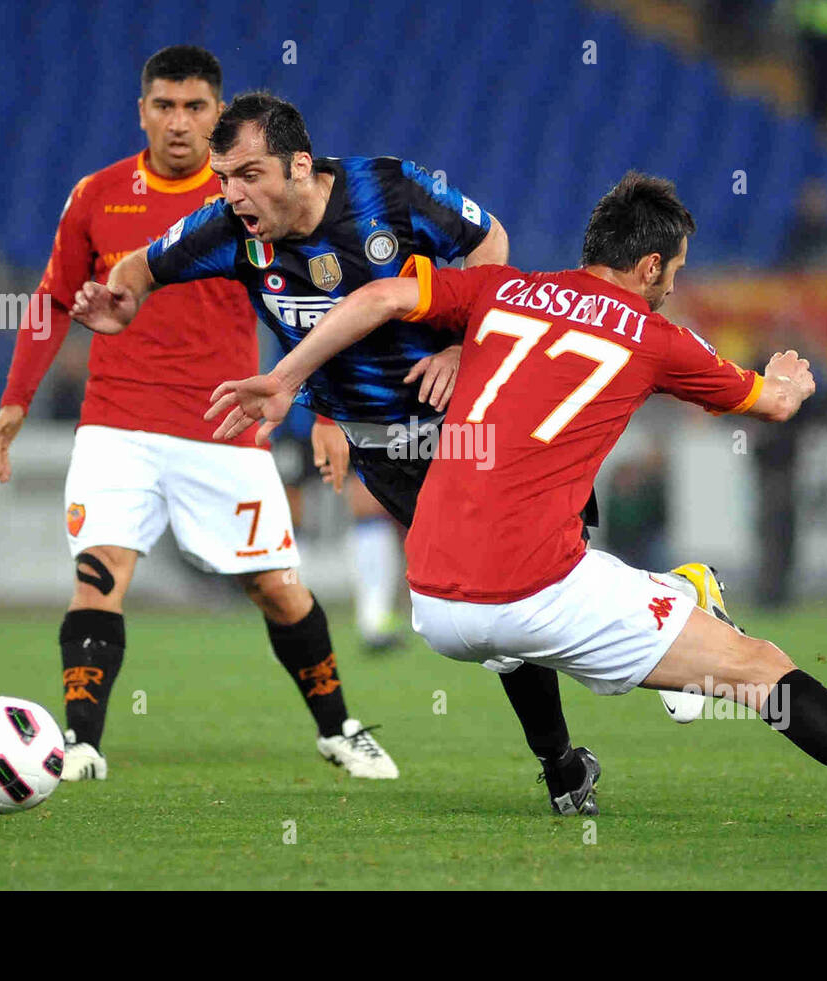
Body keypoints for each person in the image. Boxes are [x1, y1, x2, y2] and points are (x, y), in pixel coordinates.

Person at [208, 172, 827, 830]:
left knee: (543, 566)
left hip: (434, 600)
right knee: (759, 671)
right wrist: (789, 377)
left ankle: (574, 757)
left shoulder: (502, 291)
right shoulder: (652, 334)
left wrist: (285, 377)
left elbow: (382, 297)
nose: (673, 288)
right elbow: (775, 403)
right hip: (535, 596)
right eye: (673, 273)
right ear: (650, 267)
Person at [71, 91, 711, 814]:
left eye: (248, 173)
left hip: (467, 421)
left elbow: (491, 244)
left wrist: (459, 344)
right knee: (504, 608)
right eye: (223, 177)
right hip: (385, 450)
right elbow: (139, 271)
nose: (232, 193)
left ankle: (611, 702)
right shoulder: (230, 231)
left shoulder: (389, 190)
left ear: (300, 165)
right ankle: (622, 680)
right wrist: (117, 303)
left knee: (521, 594)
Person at [0, 47, 396, 782]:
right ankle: (82, 743)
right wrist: (17, 398)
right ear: (141, 110)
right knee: (99, 575)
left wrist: (328, 411)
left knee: (276, 587)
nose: (179, 123)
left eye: (196, 108)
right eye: (164, 106)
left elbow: (311, 309)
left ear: (218, 118)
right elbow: (53, 299)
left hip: (225, 429)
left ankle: (338, 727)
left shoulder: (249, 198)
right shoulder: (96, 195)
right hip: (116, 424)